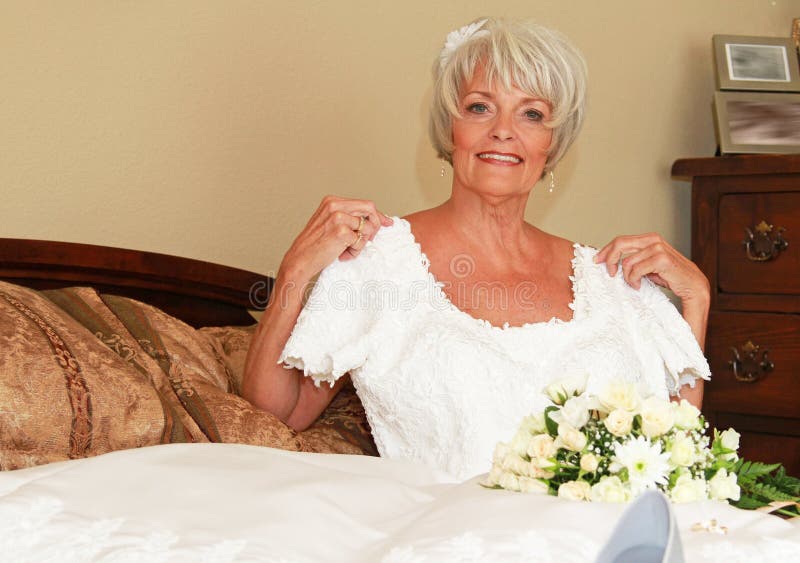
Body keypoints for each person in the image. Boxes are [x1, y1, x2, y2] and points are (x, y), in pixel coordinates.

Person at [242, 18, 711, 481]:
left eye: (532, 114)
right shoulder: (378, 262)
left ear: (553, 143)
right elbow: (282, 410)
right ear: (451, 128)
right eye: (480, 107)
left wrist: (697, 301)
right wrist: (295, 272)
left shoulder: (609, 278)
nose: (504, 130)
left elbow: (674, 448)